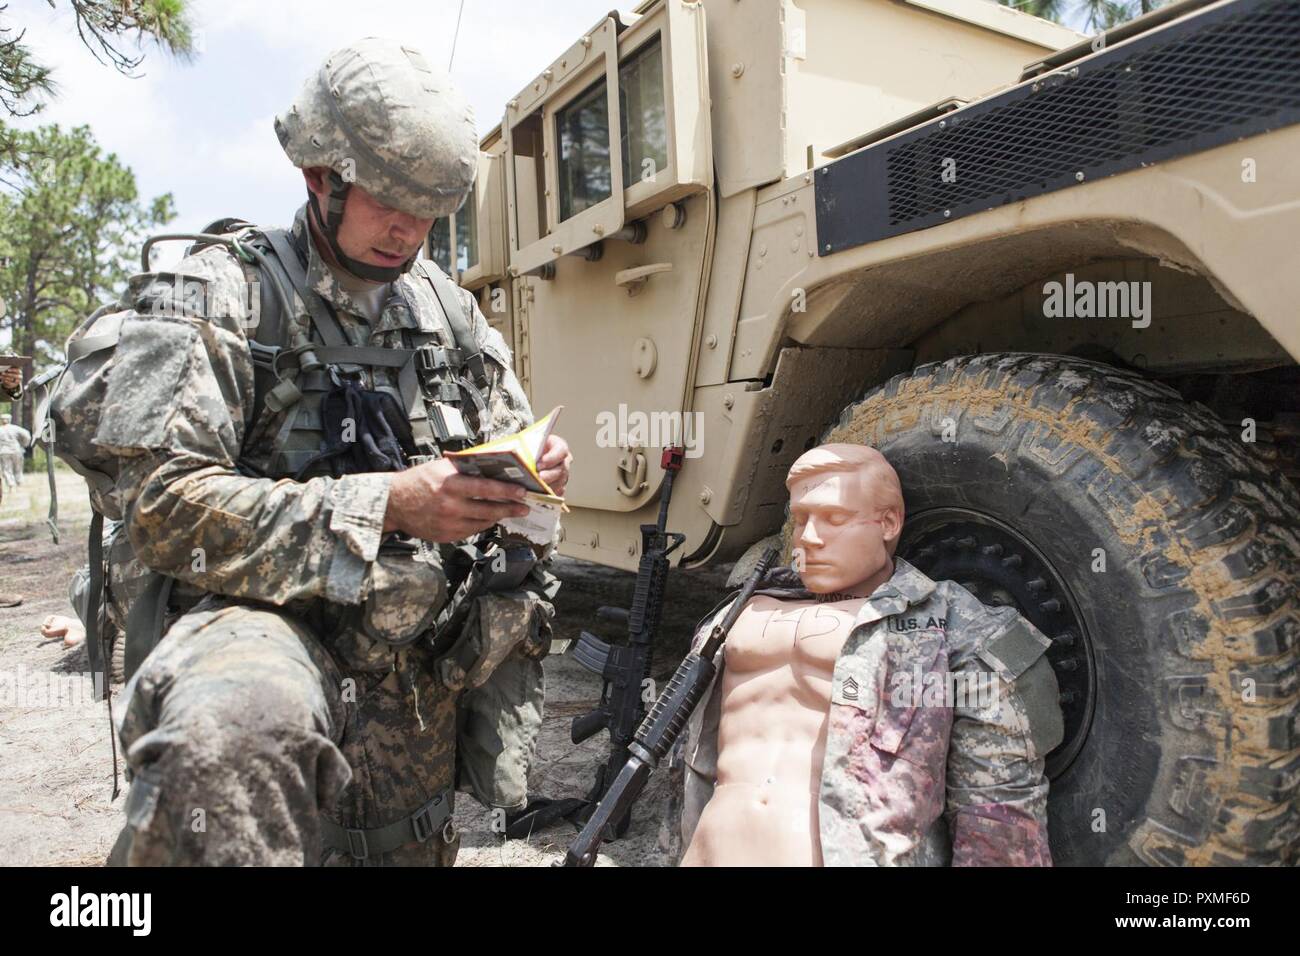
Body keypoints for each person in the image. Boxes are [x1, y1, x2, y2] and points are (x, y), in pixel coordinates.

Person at [90, 37, 571, 866]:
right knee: (237, 736)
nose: (408, 231)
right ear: (321, 176)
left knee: (400, 845)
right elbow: (160, 507)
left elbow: (504, 442)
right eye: (389, 201)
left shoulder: (447, 314)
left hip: (413, 655)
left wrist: (527, 478)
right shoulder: (219, 295)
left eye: (429, 211)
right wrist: (386, 502)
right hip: (255, 622)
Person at [678, 444, 1062, 866]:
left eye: (834, 518)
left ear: (889, 522)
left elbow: (998, 808)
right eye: (801, 518)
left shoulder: (956, 627)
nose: (808, 537)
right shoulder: (738, 611)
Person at [0, 412, 31, 489]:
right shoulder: (15, 428)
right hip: (16, 450)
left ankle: (11, 485)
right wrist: (24, 444)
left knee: (7, 469)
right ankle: (19, 483)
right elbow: (27, 435)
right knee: (18, 468)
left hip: (4, 451)